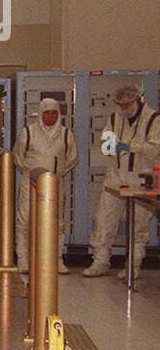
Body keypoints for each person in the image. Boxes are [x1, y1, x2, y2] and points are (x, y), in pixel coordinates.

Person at [84, 83, 160, 279]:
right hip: (115, 178)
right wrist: (109, 146)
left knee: (139, 226)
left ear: (137, 100)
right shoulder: (115, 117)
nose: (124, 108)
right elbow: (106, 142)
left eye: (127, 104)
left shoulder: (153, 119)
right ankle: (100, 261)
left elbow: (154, 148)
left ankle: (132, 266)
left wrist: (131, 146)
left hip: (141, 179)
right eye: (121, 104)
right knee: (105, 222)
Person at [13, 97, 79, 274]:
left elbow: (73, 157)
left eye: (54, 113)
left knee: (58, 222)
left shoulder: (66, 134)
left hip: (56, 182)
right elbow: (18, 157)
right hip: (30, 182)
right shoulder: (28, 133)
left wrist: (58, 172)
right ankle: (23, 259)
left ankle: (56, 259)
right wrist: (29, 171)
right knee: (25, 219)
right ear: (40, 114)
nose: (50, 117)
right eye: (47, 113)